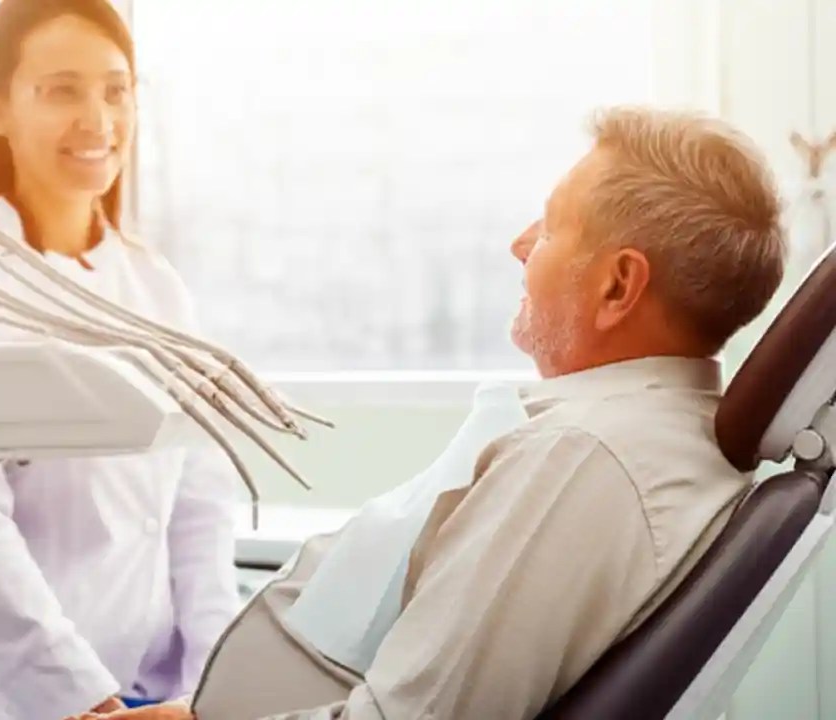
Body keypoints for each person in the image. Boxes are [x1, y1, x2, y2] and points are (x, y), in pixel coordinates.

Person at [87, 107, 788, 719]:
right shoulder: (648, 432)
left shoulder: (582, 458)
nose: (519, 244)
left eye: (548, 229)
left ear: (618, 285)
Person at [0, 2, 241, 718]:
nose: (98, 119)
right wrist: (84, 702)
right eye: (61, 90)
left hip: (152, 689)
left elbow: (199, 507)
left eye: (116, 90)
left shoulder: (155, 287)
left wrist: (218, 684)